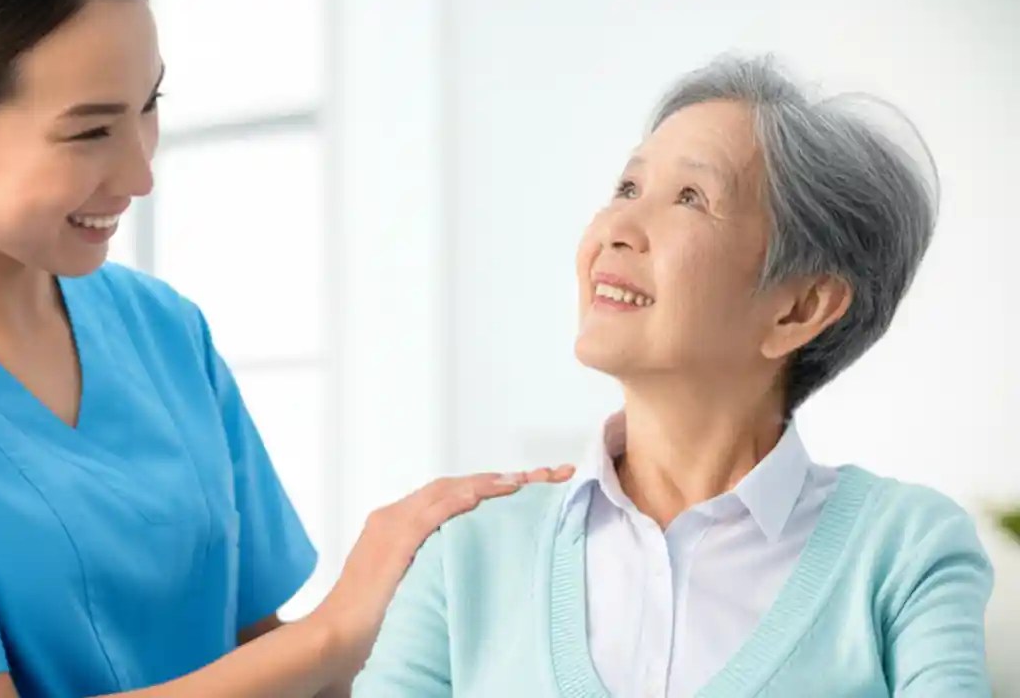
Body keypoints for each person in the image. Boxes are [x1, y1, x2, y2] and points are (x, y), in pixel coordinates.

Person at [0, 0, 575, 697]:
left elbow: (262, 656)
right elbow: (302, 651)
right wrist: (333, 630)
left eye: (149, 107)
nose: (141, 172)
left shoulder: (161, 329)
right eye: (90, 131)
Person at [353, 56, 994, 697]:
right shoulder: (467, 554)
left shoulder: (906, 553)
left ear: (800, 308)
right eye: (627, 189)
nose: (617, 230)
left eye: (691, 198)